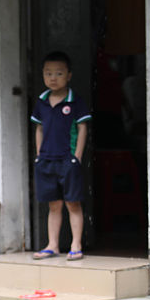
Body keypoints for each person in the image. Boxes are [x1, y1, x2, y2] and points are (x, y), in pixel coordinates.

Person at [30, 50, 91, 261]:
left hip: (68, 160)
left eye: (58, 73)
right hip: (46, 160)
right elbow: (38, 129)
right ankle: (52, 245)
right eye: (48, 73)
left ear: (69, 76)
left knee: (72, 203)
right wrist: (39, 155)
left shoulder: (76, 102)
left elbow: (82, 128)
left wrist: (77, 157)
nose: (53, 78)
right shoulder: (42, 102)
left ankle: (76, 244)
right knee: (53, 205)